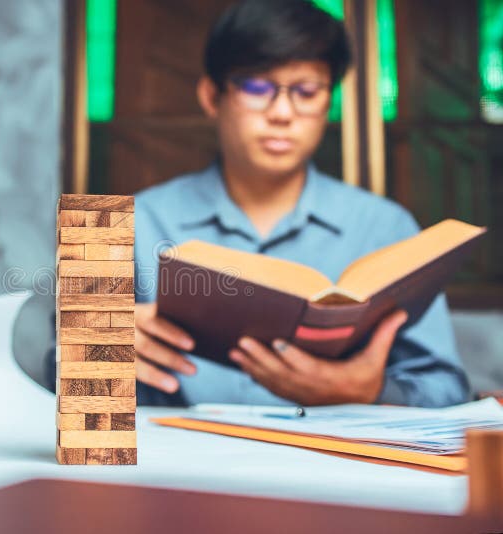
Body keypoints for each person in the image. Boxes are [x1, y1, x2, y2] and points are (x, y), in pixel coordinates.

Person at [133, 0, 469, 408]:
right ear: (211, 96)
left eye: (307, 91)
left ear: (329, 102)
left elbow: (449, 392)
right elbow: (60, 384)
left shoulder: (385, 227)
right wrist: (97, 345)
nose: (282, 113)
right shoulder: (133, 223)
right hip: (174, 471)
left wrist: (371, 392)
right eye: (257, 87)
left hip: (336, 470)